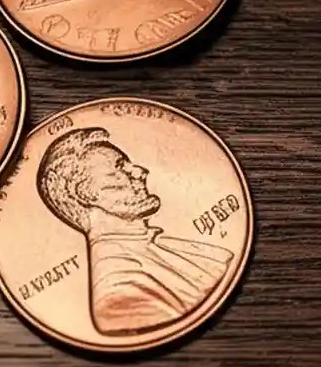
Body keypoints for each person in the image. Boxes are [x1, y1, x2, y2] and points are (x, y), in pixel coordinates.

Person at [37, 127, 233, 335]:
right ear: (85, 194)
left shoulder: (172, 248)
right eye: (120, 167)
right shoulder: (117, 290)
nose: (140, 172)